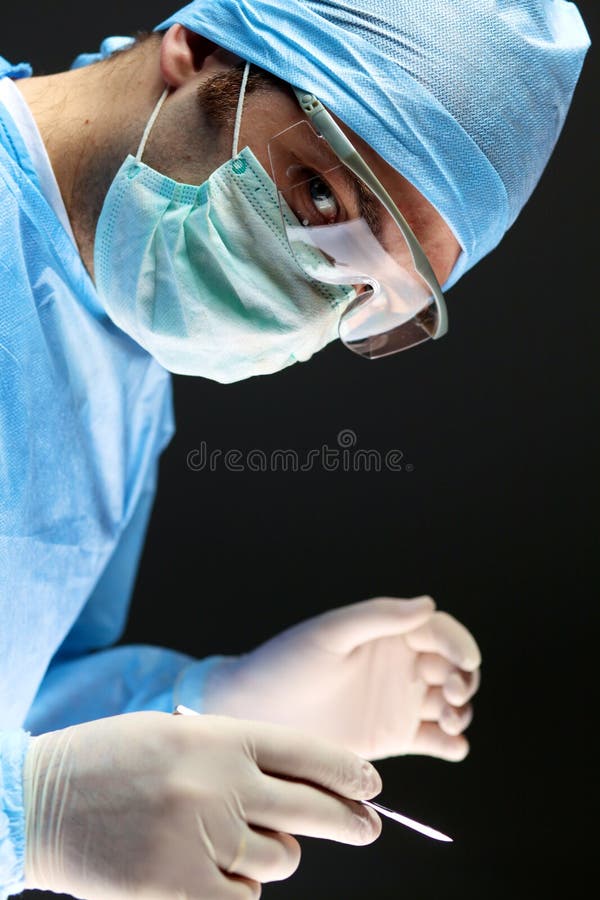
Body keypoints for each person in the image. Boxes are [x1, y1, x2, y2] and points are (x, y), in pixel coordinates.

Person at [0, 1, 589, 898]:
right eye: (319, 194)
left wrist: (217, 706)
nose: (308, 298)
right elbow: (36, 793)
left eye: (366, 288)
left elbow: (24, 712)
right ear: (194, 50)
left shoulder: (115, 378)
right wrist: (25, 820)